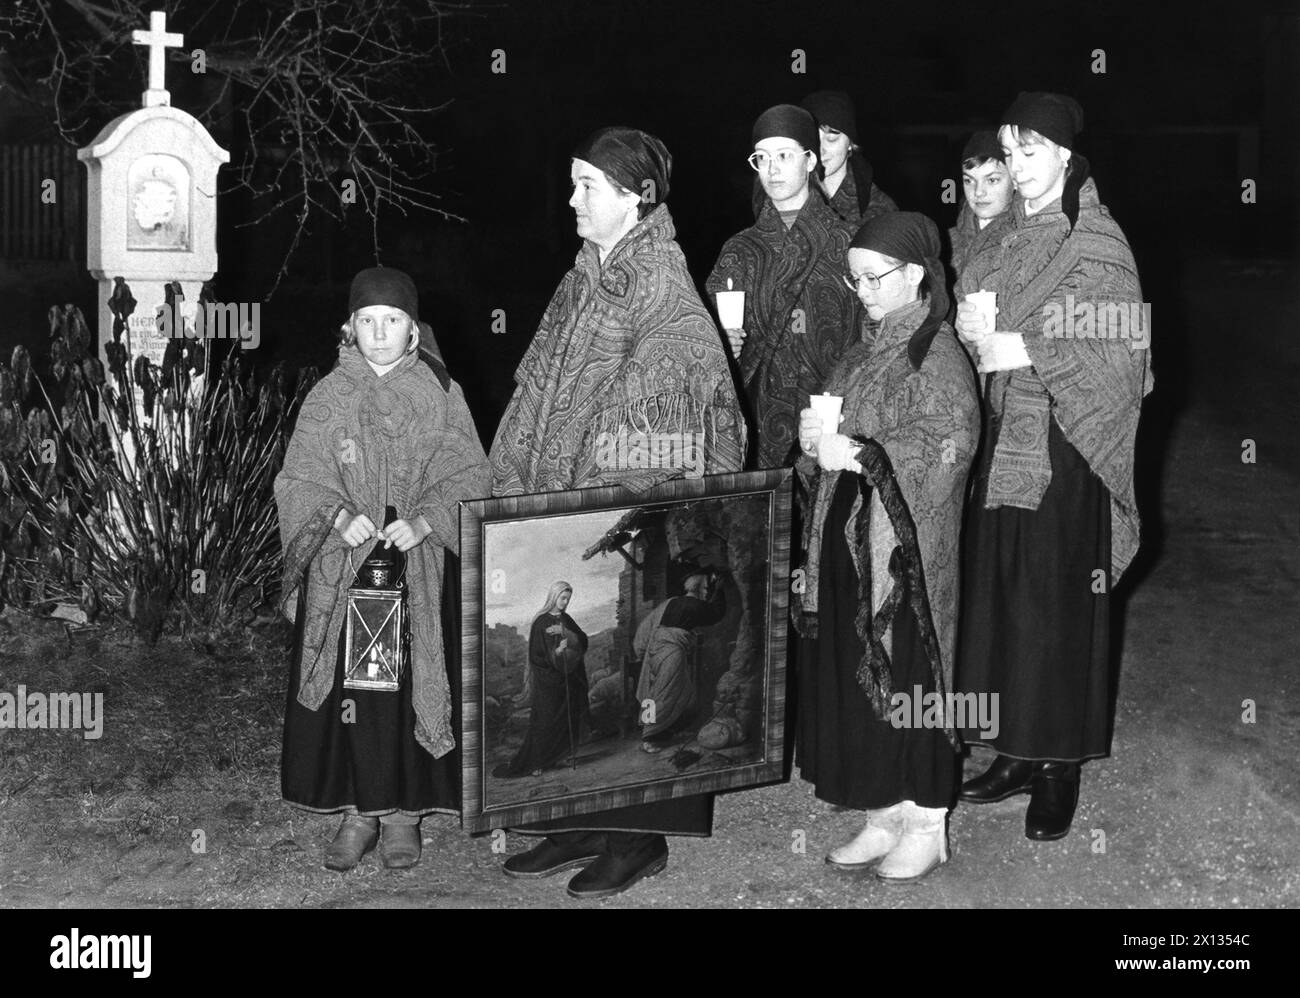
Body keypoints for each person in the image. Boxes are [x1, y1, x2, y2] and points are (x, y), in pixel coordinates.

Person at [489, 127, 746, 899]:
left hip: (625, 505)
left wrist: (577, 505)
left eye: (587, 185)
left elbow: (656, 420)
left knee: (643, 678)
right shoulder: (582, 279)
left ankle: (634, 840)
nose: (572, 198)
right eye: (572, 182)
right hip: (559, 508)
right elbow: (533, 388)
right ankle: (575, 820)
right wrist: (510, 494)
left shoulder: (662, 289)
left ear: (638, 197)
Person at [954, 92, 1152, 841]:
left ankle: (1058, 768)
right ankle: (1014, 749)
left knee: (1058, 606)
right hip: (1006, 443)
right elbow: (989, 329)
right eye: (1010, 151)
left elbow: (1126, 343)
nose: (1016, 165)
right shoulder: (1008, 237)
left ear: (1066, 157)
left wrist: (1027, 350)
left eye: (1030, 150)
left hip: (1068, 449)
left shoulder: (1094, 238)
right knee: (1006, 597)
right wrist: (980, 340)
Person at [275, 266, 490, 871]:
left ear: (413, 330)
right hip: (347, 573)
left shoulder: (442, 393)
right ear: (349, 327)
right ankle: (357, 811)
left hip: (417, 568)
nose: (378, 332)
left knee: (404, 688)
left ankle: (404, 814)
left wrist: (425, 521)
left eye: (391, 320)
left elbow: (471, 473)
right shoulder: (327, 397)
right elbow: (298, 478)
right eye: (366, 321)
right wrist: (336, 517)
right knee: (355, 691)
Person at [793, 212, 978, 881]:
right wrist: (815, 441)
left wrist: (867, 454)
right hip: (852, 543)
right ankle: (883, 809)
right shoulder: (866, 348)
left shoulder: (938, 351)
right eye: (856, 278)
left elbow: (949, 446)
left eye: (877, 278)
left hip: (906, 558)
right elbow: (835, 420)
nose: (863, 290)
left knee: (915, 679)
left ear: (918, 274)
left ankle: (928, 818)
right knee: (864, 674)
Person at [707, 104, 859, 470]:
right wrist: (720, 345)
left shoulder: (848, 245)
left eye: (784, 156)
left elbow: (870, 339)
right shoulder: (740, 250)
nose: (772, 170)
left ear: (810, 160)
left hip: (829, 420)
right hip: (756, 426)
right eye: (762, 158)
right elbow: (702, 342)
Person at [493, 582, 590, 777]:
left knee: (565, 719)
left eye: (568, 599)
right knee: (545, 721)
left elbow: (583, 641)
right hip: (548, 681)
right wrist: (557, 653)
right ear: (554, 596)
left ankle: (559, 756)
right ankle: (536, 762)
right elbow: (537, 655)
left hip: (568, 679)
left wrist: (567, 634)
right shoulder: (541, 622)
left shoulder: (566, 619)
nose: (565, 603)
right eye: (562, 598)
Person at [633, 570, 727, 753]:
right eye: (706, 588)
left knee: (658, 692)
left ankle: (663, 731)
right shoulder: (694, 605)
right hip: (671, 651)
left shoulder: (671, 602)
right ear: (700, 588)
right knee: (667, 693)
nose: (707, 592)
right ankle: (650, 737)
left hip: (655, 648)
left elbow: (646, 626)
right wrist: (720, 590)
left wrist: (641, 651)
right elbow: (716, 613)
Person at [801, 90, 899, 227]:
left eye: (831, 139)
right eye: (812, 138)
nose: (819, 149)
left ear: (850, 144)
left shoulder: (880, 210)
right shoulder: (778, 194)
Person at [949, 130, 1014, 278]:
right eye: (969, 180)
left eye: (992, 180)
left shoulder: (1029, 236)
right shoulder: (948, 243)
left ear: (1014, 180)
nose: (978, 192)